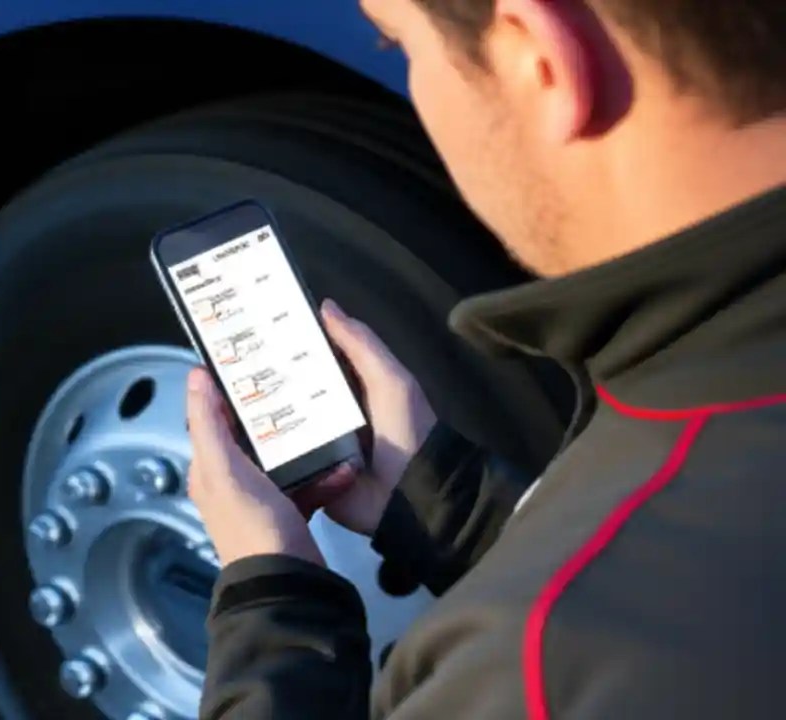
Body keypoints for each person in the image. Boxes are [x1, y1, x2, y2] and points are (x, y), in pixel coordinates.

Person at [185, 0, 786, 717]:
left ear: (539, 55)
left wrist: (270, 606)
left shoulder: (541, 663)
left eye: (399, 45)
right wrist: (459, 514)